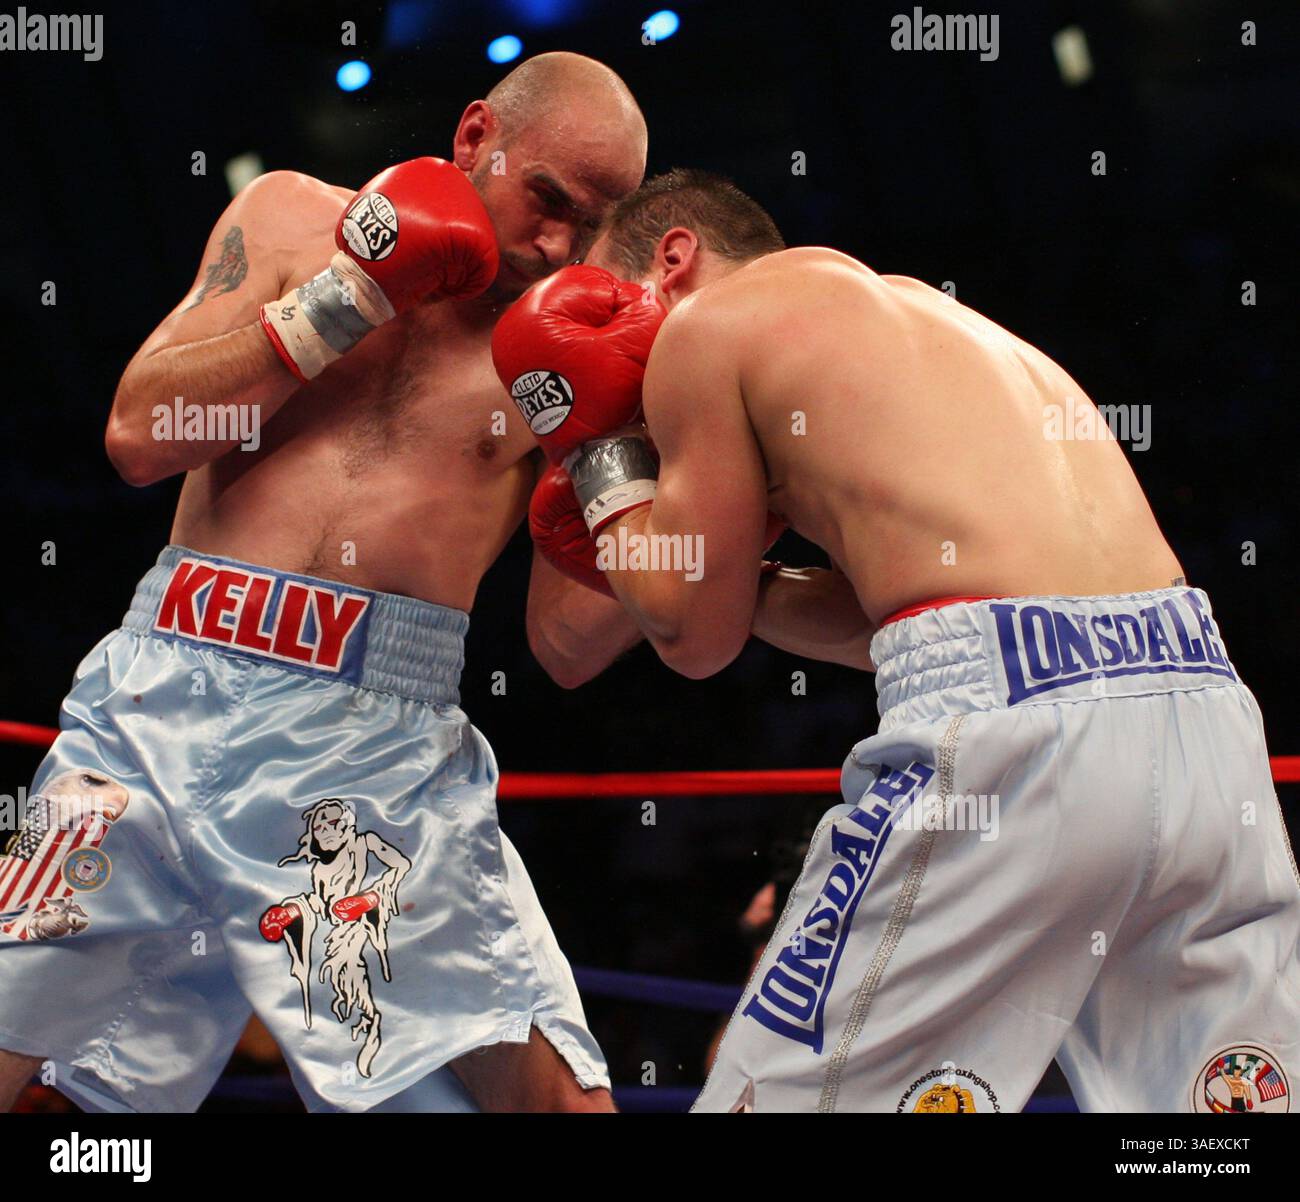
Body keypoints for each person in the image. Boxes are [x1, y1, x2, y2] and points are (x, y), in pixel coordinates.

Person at [493, 169, 1300, 1112]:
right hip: (1199, 707)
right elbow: (919, 624)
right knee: (1214, 1124)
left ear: (673, 259)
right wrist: (719, 580)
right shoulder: (942, 325)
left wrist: (599, 461)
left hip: (1015, 747)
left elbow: (688, 635)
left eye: (606, 295)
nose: (621, 362)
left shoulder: (708, 328)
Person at [0, 52, 649, 1115]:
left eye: (593, 222)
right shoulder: (293, 217)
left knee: (550, 1099)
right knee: (59, 1092)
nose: (559, 245)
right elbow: (136, 435)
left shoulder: (566, 345)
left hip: (370, 748)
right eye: (549, 201)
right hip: (153, 702)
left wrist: (626, 476)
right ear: (478, 134)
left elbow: (569, 642)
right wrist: (347, 297)